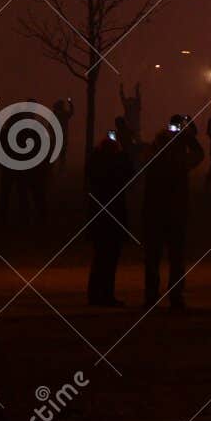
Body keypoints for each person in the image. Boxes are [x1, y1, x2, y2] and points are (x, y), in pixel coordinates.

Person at [141, 114, 203, 311]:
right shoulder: (179, 163)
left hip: (155, 214)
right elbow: (199, 154)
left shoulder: (153, 162)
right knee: (175, 258)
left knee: (154, 258)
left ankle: (151, 295)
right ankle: (175, 296)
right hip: (175, 214)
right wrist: (186, 135)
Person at [87, 120, 133, 306]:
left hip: (99, 216)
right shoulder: (116, 168)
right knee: (109, 258)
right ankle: (106, 294)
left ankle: (95, 294)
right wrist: (123, 151)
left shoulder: (96, 165)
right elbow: (130, 172)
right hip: (113, 217)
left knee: (100, 258)